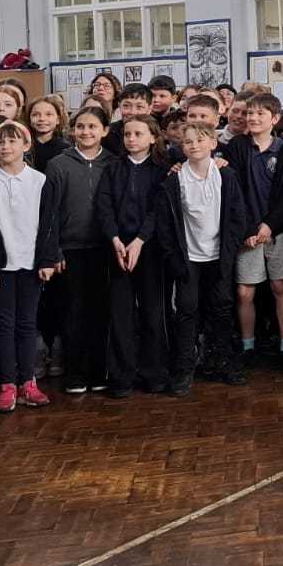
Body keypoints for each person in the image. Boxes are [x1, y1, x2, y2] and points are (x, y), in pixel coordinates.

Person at [154, 120, 248, 395]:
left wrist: (229, 250)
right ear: (181, 147)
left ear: (213, 143)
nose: (194, 145)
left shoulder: (226, 176)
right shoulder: (174, 179)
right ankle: (184, 368)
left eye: (200, 139)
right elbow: (166, 225)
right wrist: (174, 256)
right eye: (188, 141)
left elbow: (237, 216)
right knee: (187, 311)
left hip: (219, 257)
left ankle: (223, 361)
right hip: (188, 259)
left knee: (221, 308)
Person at [0, 121, 59, 412]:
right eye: (0, 143)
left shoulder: (40, 181)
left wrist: (47, 259)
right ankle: (7, 384)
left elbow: (49, 224)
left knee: (27, 324)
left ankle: (28, 382)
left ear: (26, 146)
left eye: (12, 141)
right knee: (3, 325)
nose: (5, 147)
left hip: (31, 264)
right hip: (0, 267)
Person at [226, 92, 283, 372]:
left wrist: (269, 224)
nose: (253, 118)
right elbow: (234, 191)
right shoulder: (236, 147)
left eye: (261, 114)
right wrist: (249, 227)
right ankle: (248, 345)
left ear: (274, 119)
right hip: (247, 232)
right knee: (245, 292)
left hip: (277, 229)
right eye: (250, 113)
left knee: (280, 286)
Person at [45, 106, 119, 395]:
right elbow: (49, 213)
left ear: (104, 131)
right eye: (80, 127)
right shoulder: (58, 164)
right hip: (70, 250)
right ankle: (75, 374)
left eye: (92, 127)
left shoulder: (113, 163)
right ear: (72, 130)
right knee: (72, 312)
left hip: (103, 248)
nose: (86, 132)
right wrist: (55, 251)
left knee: (101, 312)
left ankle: (99, 370)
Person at [96, 115, 171, 396]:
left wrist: (140, 240)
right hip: (118, 249)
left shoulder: (162, 169)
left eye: (138, 134)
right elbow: (104, 206)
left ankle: (155, 373)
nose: (132, 139)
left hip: (149, 249)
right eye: (127, 134)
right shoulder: (113, 168)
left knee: (153, 312)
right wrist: (115, 239)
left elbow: (159, 210)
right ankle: (122, 376)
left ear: (152, 137)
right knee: (121, 313)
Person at [25, 94, 69, 171]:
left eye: (48, 114)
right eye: (35, 115)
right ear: (29, 119)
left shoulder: (66, 149)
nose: (42, 118)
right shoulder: (23, 147)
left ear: (58, 119)